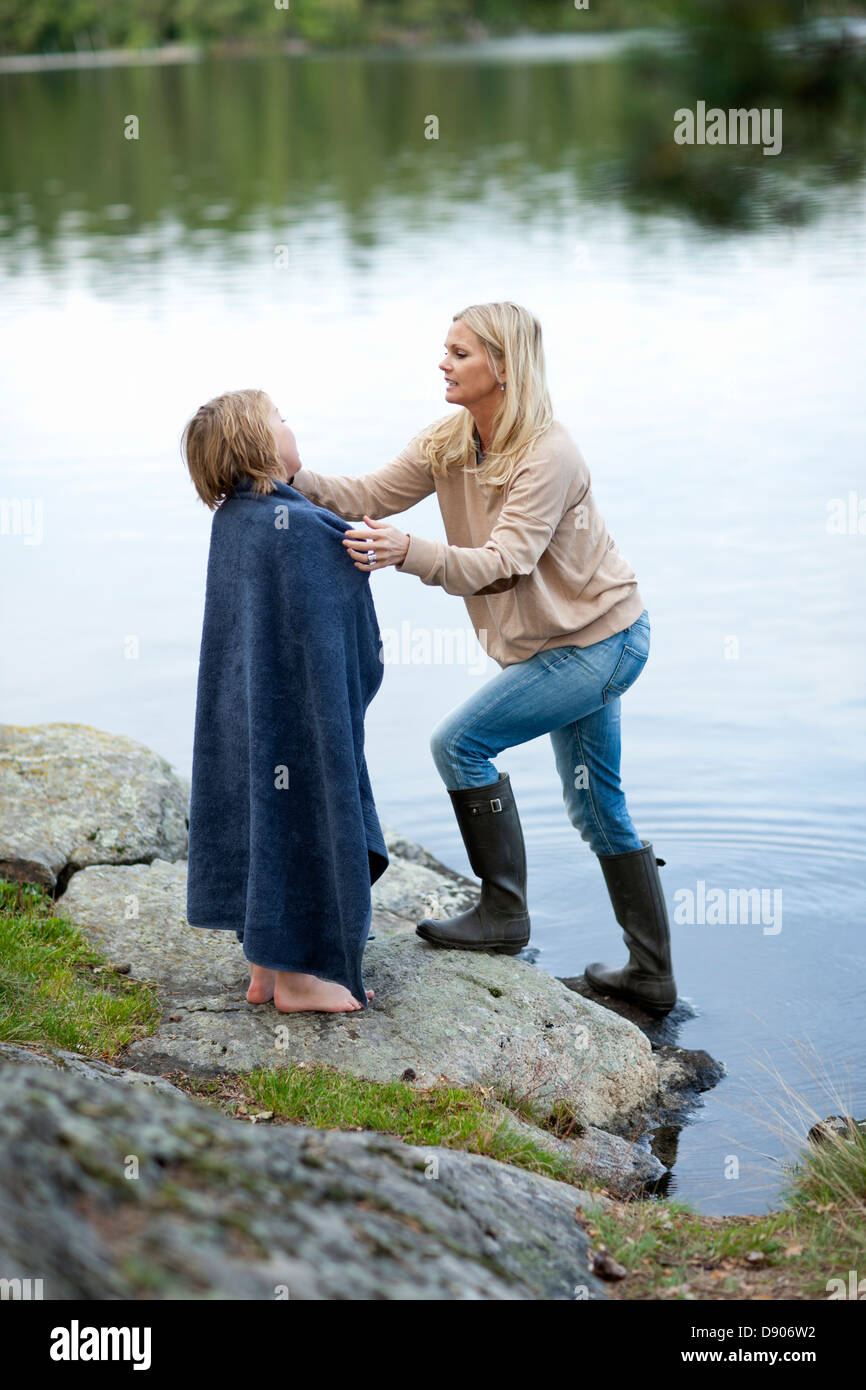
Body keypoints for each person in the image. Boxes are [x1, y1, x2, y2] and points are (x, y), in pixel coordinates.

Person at [292, 302, 677, 1016]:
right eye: (446, 350)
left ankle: (503, 913)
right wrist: (293, 476)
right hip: (563, 648)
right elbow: (370, 495)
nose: (443, 362)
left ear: (502, 366)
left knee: (460, 743)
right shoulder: (451, 439)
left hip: (602, 644)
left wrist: (407, 552)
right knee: (597, 808)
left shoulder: (548, 453)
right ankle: (651, 977)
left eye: (460, 352)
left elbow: (507, 562)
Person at [181, 389, 388, 1015]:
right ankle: (303, 979)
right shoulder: (300, 529)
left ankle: (266, 968)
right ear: (260, 444)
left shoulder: (236, 520)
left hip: (247, 711)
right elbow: (349, 647)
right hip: (301, 716)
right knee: (305, 811)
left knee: (260, 808)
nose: (290, 426)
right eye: (281, 419)